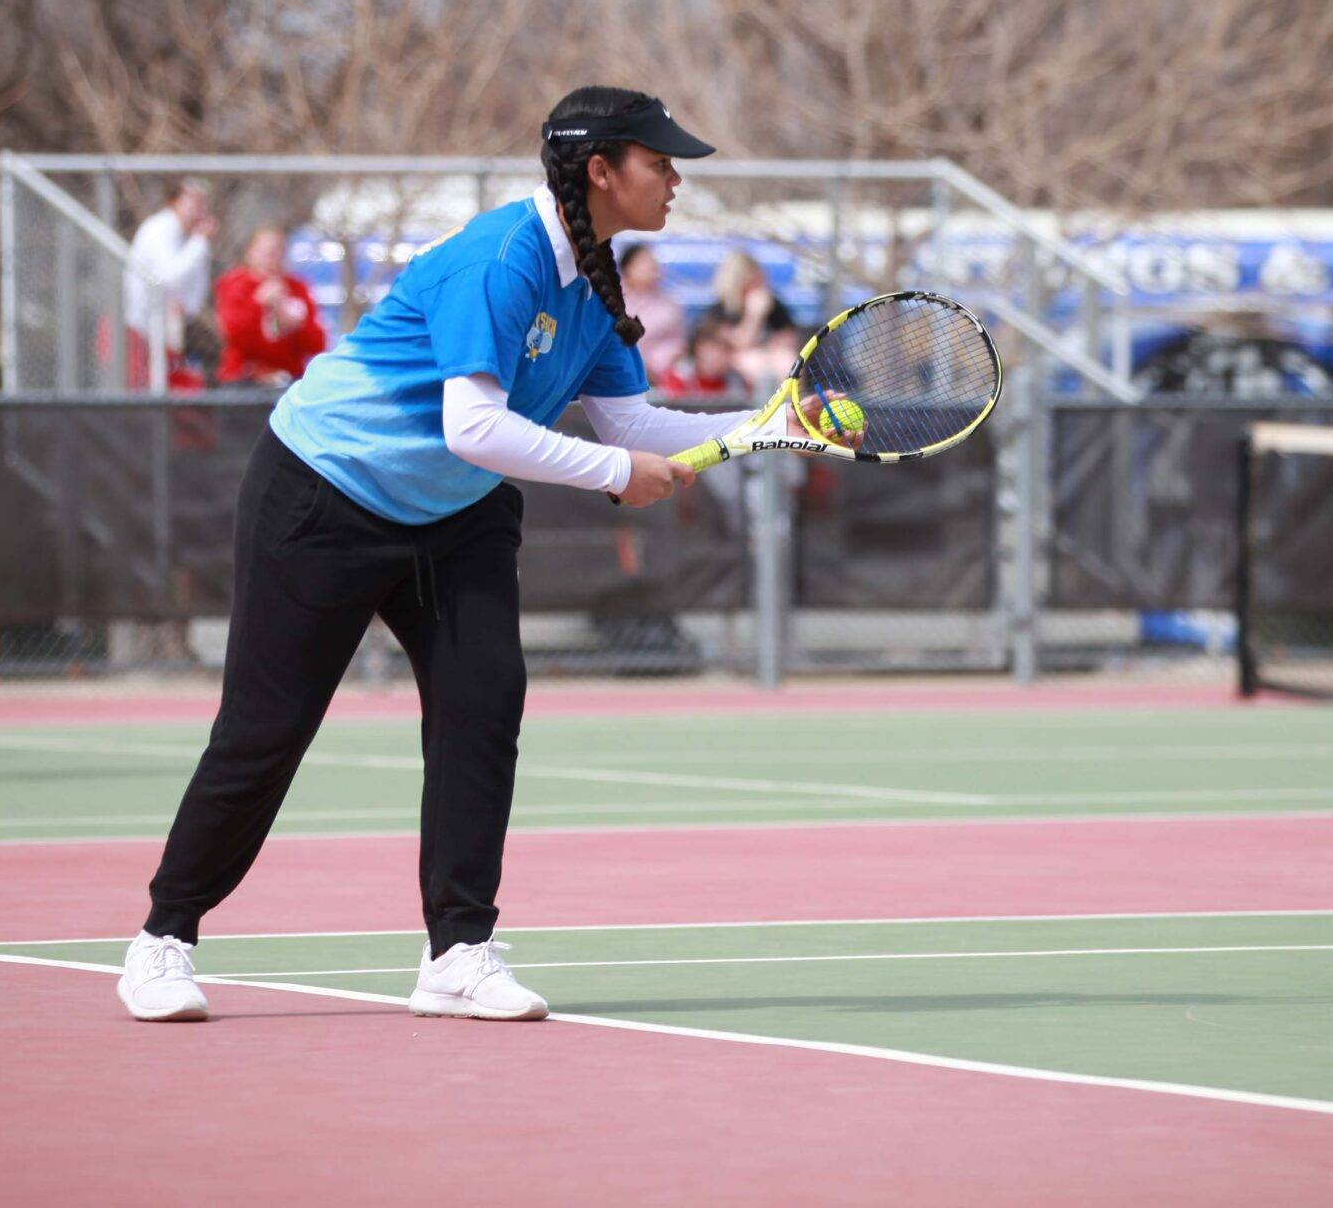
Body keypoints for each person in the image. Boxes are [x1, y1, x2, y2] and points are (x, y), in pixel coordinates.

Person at [115, 85, 855, 1024]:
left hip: (456, 515)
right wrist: (613, 473)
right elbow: (474, 425)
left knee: (482, 702)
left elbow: (627, 421)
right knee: (267, 729)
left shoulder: (597, 280)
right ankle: (162, 940)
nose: (675, 180)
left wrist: (764, 424)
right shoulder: (503, 257)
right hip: (324, 487)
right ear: (600, 171)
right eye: (660, 162)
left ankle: (456, 952)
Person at [124, 179, 214, 389]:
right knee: (141, 390)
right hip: (139, 328)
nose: (198, 210)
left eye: (202, 204)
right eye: (191, 202)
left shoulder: (190, 238)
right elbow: (168, 278)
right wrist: (199, 243)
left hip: (165, 330)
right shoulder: (161, 228)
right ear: (174, 202)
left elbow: (193, 293)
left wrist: (199, 243)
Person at [213, 225, 327, 383]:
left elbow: (317, 343)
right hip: (244, 377)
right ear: (250, 252)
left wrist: (294, 326)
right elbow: (232, 334)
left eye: (278, 251)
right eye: (265, 251)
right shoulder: (235, 284)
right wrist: (258, 304)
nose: (272, 257)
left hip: (288, 375)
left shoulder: (296, 288)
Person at [710, 249, 798, 385]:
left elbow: (788, 338)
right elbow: (736, 345)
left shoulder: (773, 303)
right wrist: (754, 316)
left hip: (769, 353)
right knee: (755, 364)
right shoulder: (722, 308)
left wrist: (770, 348)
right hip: (737, 360)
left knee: (788, 362)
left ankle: (792, 404)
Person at [618, 242, 685, 378]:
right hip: (615, 371)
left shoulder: (669, 305)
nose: (652, 269)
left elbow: (676, 344)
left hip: (656, 377)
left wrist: (652, 364)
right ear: (628, 268)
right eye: (644, 263)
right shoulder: (610, 299)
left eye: (653, 264)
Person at [660, 314, 750, 401]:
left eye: (732, 347)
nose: (730, 353)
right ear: (701, 346)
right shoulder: (679, 377)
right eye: (724, 345)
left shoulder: (737, 382)